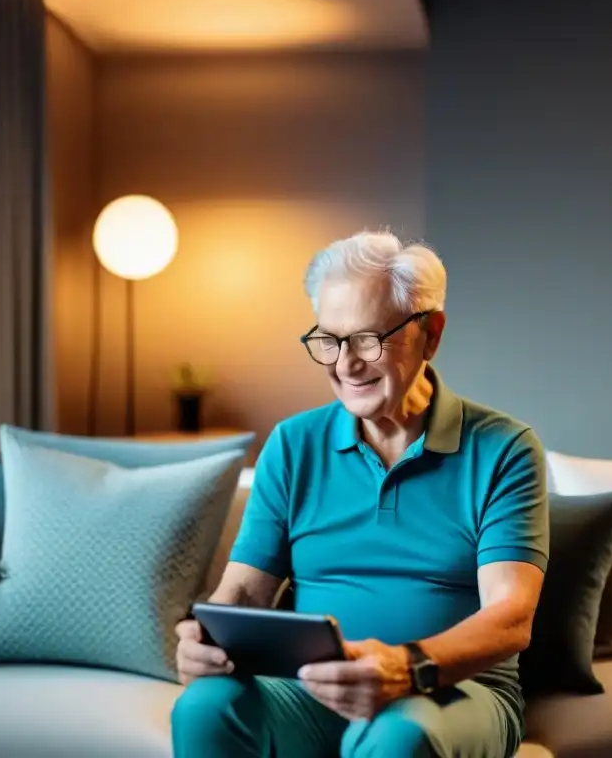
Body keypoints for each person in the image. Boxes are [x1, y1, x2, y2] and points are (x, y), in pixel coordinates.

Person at [171, 230, 549, 758]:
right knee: (204, 706)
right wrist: (200, 638)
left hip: (449, 693)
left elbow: (511, 618)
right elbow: (243, 594)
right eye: (328, 339)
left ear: (430, 334)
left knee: (401, 734)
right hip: (310, 691)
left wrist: (405, 667)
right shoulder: (293, 445)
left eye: (368, 339)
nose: (344, 364)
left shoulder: (504, 449)